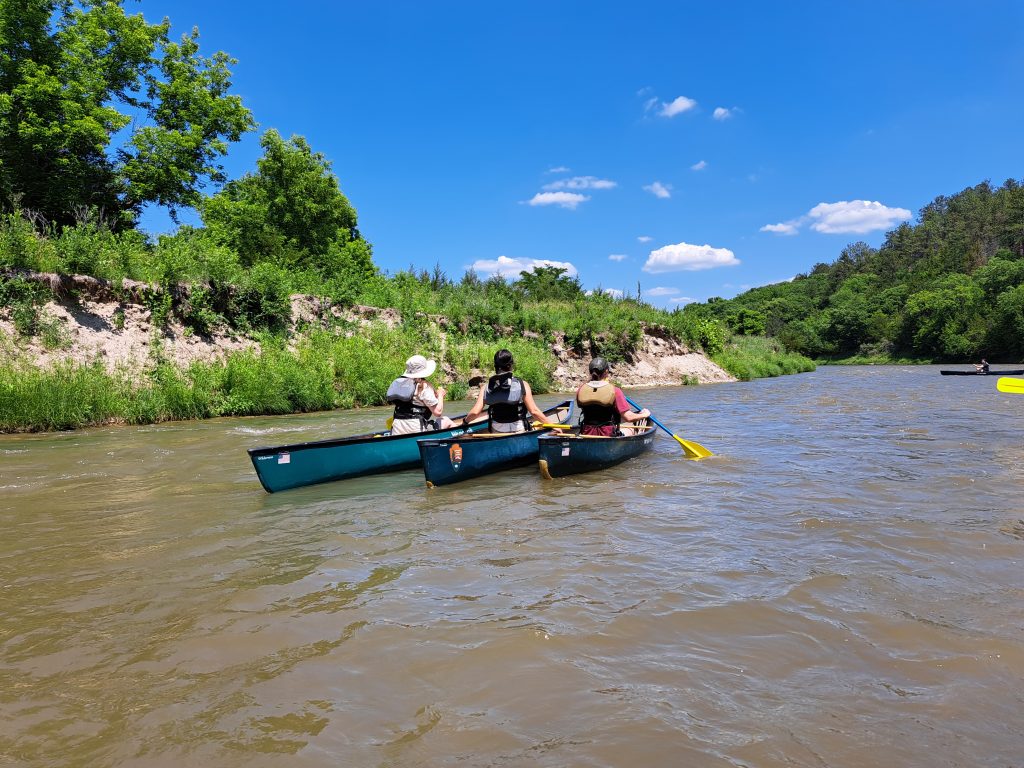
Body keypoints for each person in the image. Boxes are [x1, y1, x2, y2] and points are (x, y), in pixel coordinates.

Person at [463, 349, 548, 433]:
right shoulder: (523, 384)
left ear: (495, 366)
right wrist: (551, 424)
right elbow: (534, 411)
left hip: (497, 430)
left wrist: (465, 422)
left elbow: (475, 413)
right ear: (511, 365)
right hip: (518, 429)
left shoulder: (486, 388)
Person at [577, 357, 651, 437]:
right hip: (607, 434)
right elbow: (628, 418)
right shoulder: (615, 391)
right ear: (606, 372)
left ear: (590, 372)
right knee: (630, 428)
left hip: (587, 433)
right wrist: (645, 414)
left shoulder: (581, 390)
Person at [386, 354, 455, 434]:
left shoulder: (400, 384)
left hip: (397, 429)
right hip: (416, 429)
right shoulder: (424, 386)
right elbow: (437, 412)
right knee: (446, 420)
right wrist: (440, 395)